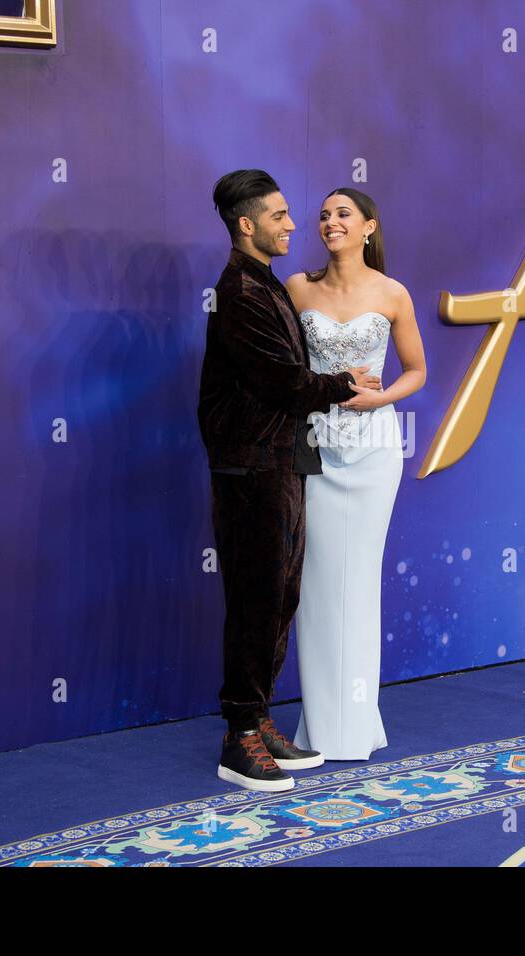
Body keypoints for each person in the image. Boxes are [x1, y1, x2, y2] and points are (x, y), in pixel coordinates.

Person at [197, 170, 382, 792]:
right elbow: (283, 381)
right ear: (247, 224)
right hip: (249, 465)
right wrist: (346, 384)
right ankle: (238, 737)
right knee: (256, 598)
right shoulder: (240, 293)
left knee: (278, 596)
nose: (295, 225)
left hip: (279, 461)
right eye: (280, 216)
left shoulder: (266, 284)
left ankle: (258, 716)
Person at [285, 187, 427, 760]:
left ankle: (358, 725)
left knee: (361, 582)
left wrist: (380, 398)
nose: (329, 222)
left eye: (342, 214)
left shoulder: (392, 293)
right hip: (315, 445)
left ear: (369, 226)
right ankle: (322, 729)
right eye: (323, 216)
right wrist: (318, 388)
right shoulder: (297, 288)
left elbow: (416, 370)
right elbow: (282, 367)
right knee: (316, 586)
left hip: (373, 449)